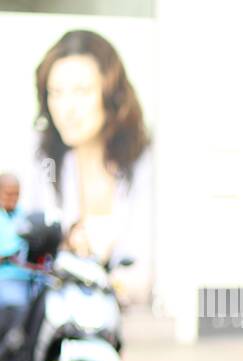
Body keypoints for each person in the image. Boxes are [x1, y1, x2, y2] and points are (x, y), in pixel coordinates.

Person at [24, 29, 153, 308]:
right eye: (55, 93)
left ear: (111, 95)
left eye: (81, 92)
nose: (66, 108)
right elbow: (30, 247)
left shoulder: (144, 158)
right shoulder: (44, 157)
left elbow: (148, 268)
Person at [0, 173, 33, 310]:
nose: (13, 199)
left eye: (17, 194)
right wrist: (8, 255)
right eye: (9, 194)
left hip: (25, 281)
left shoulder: (23, 214)